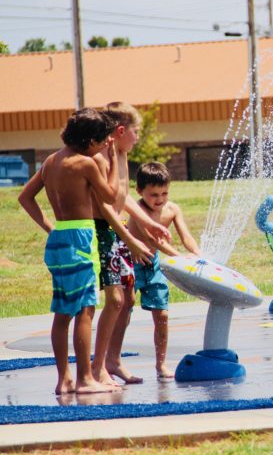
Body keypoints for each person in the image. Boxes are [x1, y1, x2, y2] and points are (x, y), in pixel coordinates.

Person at [17, 108, 119, 395]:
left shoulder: (51, 161)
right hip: (81, 238)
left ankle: (64, 379)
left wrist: (50, 227)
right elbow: (111, 196)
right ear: (89, 141)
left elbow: (25, 197)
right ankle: (86, 379)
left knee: (63, 313)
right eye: (101, 142)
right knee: (85, 310)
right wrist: (111, 159)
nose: (103, 147)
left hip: (60, 236)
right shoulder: (85, 163)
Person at [90, 102, 170, 386]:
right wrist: (132, 240)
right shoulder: (104, 158)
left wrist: (148, 223)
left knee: (127, 299)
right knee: (115, 300)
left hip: (118, 232)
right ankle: (98, 365)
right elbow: (106, 206)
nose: (138, 136)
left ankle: (112, 360)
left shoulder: (121, 154)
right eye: (136, 131)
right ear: (121, 130)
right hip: (105, 232)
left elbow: (122, 201)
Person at [127, 162, 200, 380]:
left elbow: (186, 237)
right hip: (131, 263)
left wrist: (198, 255)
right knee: (123, 314)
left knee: (163, 315)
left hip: (153, 264)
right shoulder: (138, 210)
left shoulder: (172, 209)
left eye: (164, 193)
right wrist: (179, 258)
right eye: (153, 195)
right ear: (139, 191)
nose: (160, 199)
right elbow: (151, 239)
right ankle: (111, 361)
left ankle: (161, 365)